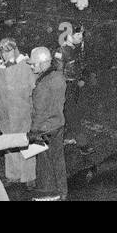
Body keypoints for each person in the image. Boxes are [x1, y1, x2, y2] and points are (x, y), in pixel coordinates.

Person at [0, 38, 37, 187]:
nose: (5, 54)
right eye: (2, 51)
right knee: (8, 143)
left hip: (24, 112)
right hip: (5, 113)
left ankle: (29, 176)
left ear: (15, 50)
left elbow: (34, 89)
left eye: (8, 50)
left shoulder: (26, 64)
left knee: (26, 143)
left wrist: (36, 110)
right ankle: (14, 173)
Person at [29, 46, 68, 200]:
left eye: (33, 64)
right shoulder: (59, 76)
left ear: (43, 63)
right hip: (58, 124)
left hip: (44, 129)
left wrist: (33, 131)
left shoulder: (42, 85)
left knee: (44, 163)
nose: (32, 67)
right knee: (58, 159)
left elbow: (39, 113)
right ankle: (62, 190)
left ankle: (48, 194)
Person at [57, 22, 89, 150]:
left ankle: (66, 137)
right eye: (77, 34)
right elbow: (59, 72)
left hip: (74, 85)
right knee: (72, 114)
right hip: (66, 86)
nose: (80, 36)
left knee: (69, 112)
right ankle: (82, 144)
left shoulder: (78, 48)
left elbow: (81, 66)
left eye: (82, 34)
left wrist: (81, 78)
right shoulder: (62, 50)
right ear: (69, 35)